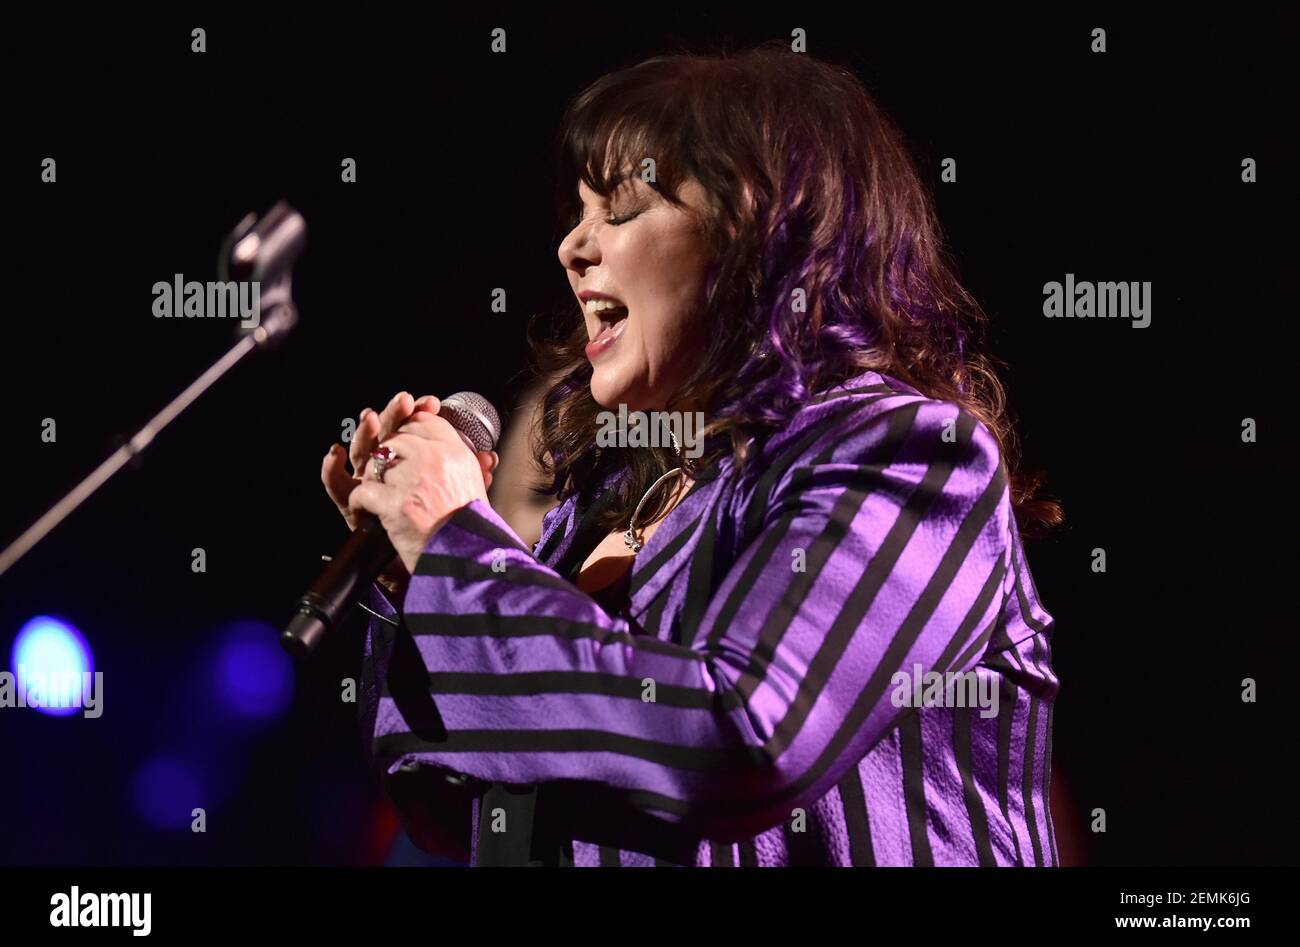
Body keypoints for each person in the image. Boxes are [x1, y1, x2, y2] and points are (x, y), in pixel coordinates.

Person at [320, 42, 1063, 866]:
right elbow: (452, 816)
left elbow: (744, 741)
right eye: (578, 211)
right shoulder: (602, 509)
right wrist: (415, 576)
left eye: (622, 209)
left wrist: (459, 546)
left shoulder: (908, 456)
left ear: (764, 233)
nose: (572, 247)